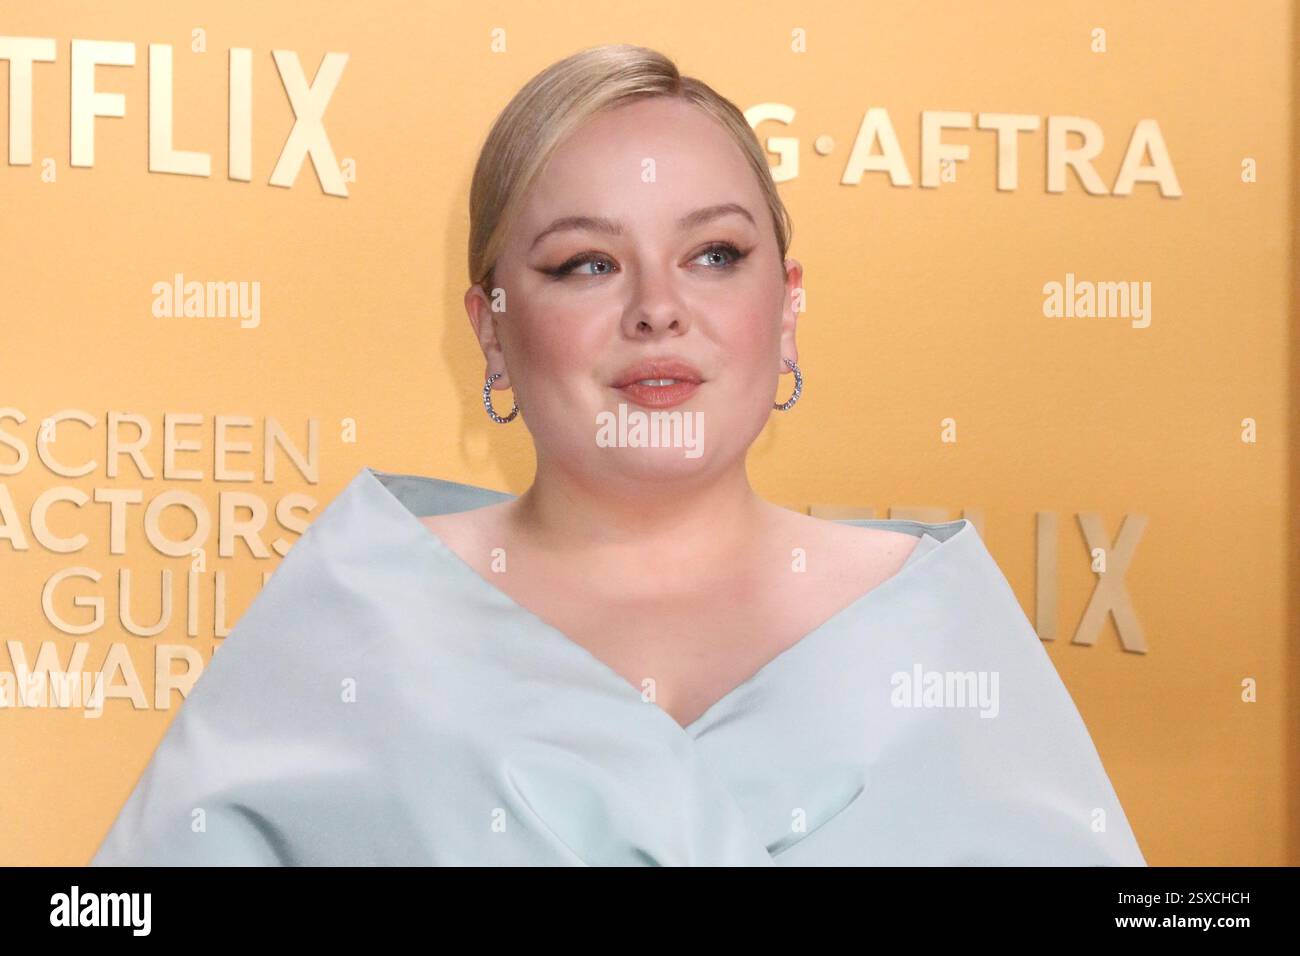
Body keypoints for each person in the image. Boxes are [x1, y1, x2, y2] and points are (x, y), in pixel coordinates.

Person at [90, 43, 1145, 866]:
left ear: (786, 307)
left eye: (714, 254)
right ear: (492, 325)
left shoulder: (939, 623)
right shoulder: (357, 614)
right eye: (587, 262)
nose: (658, 309)